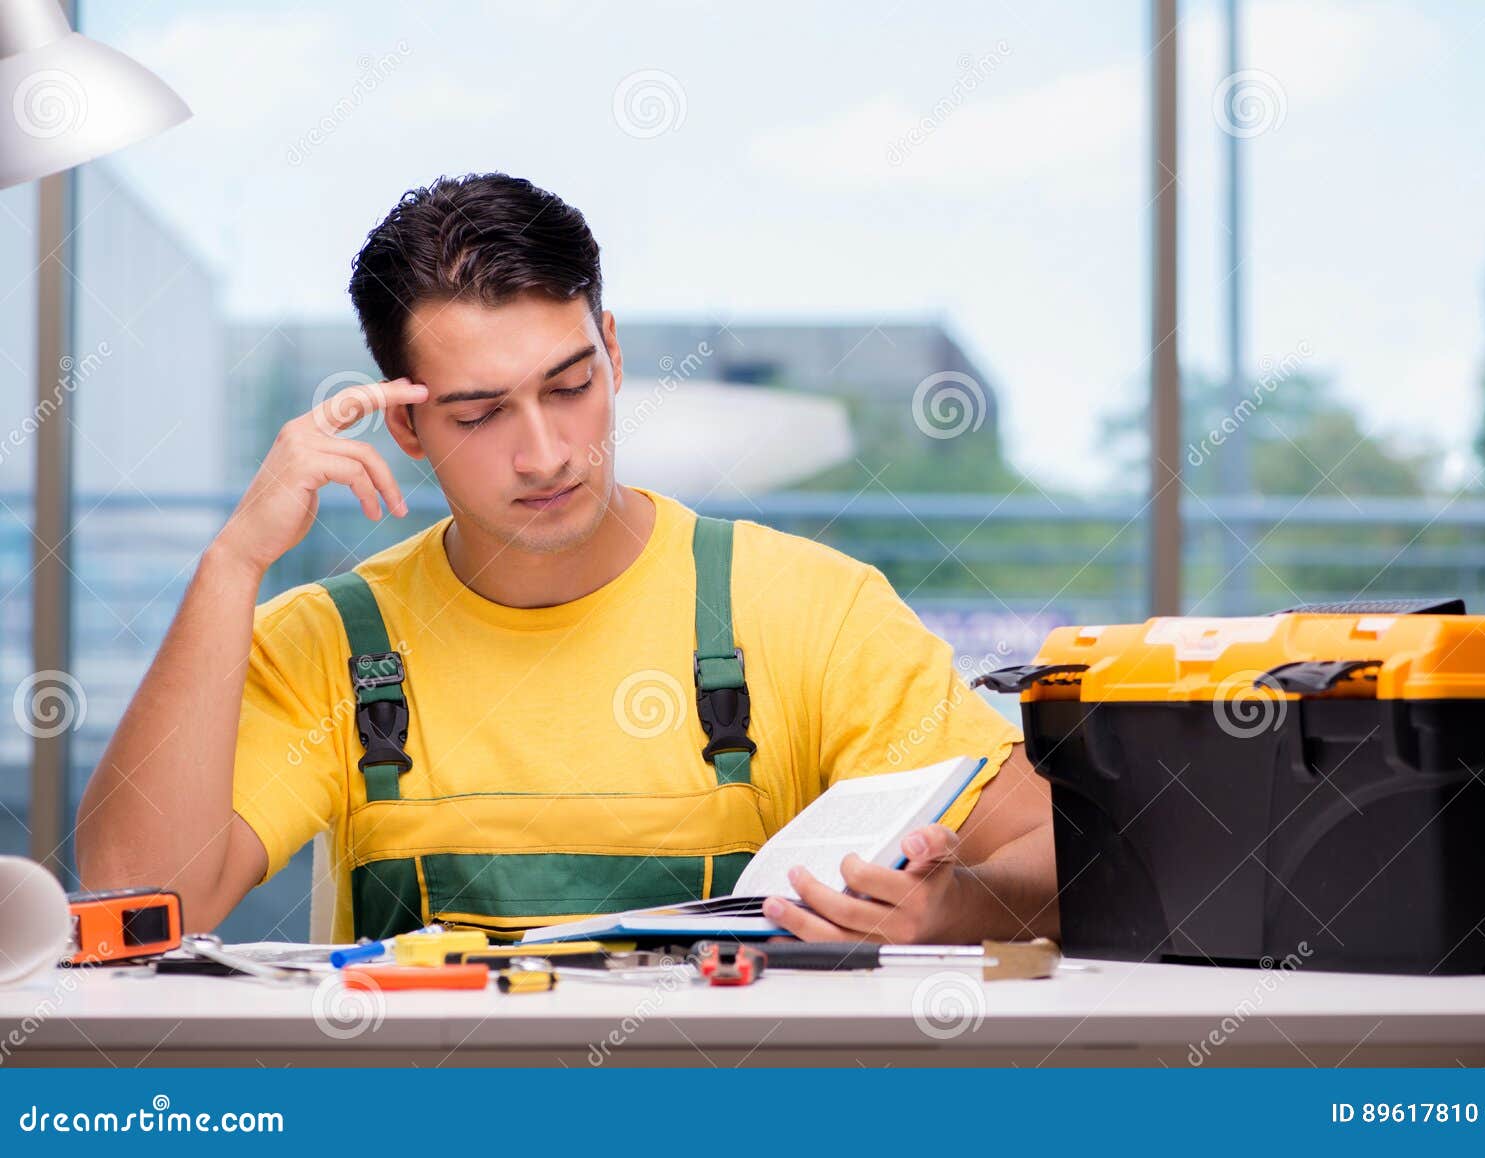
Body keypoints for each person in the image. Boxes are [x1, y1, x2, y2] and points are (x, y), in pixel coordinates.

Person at [76, 173, 1057, 945]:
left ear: (614, 355)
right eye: (479, 412)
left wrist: (954, 907)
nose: (545, 453)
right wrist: (232, 564)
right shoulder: (332, 645)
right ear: (408, 426)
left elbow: (1061, 849)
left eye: (571, 385)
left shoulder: (807, 612)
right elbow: (145, 902)